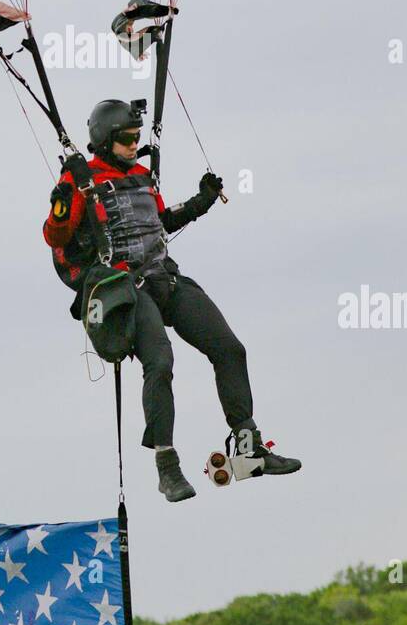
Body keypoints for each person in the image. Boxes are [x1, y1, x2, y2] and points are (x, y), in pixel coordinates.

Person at [44, 99, 301, 502]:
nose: (135, 144)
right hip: (130, 287)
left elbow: (159, 222)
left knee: (230, 349)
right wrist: (61, 204)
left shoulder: (143, 176)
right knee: (160, 362)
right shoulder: (82, 181)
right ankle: (167, 467)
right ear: (106, 141)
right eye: (127, 139)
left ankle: (249, 450)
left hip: (167, 277)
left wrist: (200, 203)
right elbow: (56, 237)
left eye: (136, 138)